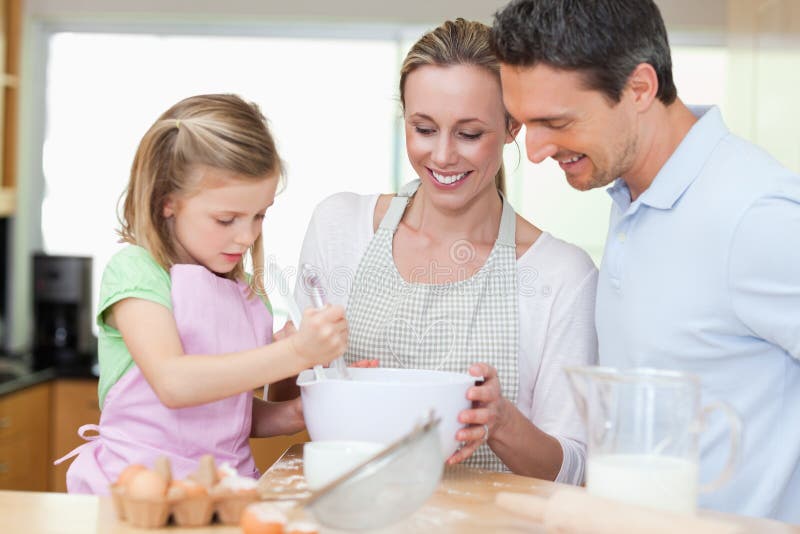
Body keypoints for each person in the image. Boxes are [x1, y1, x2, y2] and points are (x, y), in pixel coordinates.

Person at [492, 0, 800, 522]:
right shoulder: (634, 195)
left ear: (640, 88)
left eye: (555, 122)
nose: (536, 150)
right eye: (524, 123)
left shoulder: (754, 215)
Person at [295, 19, 598, 482]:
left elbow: (574, 470)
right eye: (424, 128)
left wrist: (504, 423)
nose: (441, 155)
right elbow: (292, 400)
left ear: (512, 125)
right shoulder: (338, 228)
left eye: (469, 134)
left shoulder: (561, 274)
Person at [55, 94, 349, 494]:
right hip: (138, 493)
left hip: (225, 490)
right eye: (226, 219)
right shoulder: (136, 274)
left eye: (259, 215)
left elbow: (229, 416)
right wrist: (294, 354)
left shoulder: (245, 295)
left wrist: (308, 408)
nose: (247, 236)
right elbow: (175, 384)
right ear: (167, 204)